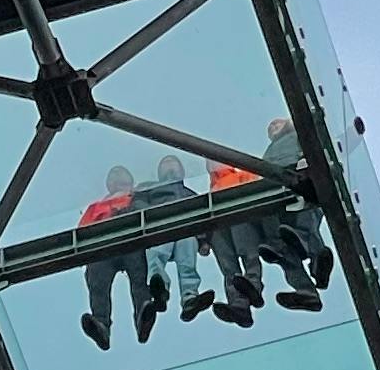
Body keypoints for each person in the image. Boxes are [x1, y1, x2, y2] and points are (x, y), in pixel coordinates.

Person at [76, 163, 164, 349]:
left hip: (131, 242)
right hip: (104, 247)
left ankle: (143, 315)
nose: (117, 178)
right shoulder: (96, 206)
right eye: (114, 176)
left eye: (121, 175)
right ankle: (101, 324)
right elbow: (83, 229)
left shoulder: (137, 197)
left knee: (139, 278)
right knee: (97, 282)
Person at [255, 114, 331, 310]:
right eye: (270, 128)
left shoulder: (297, 135)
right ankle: (307, 291)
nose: (272, 126)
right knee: (284, 246)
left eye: (277, 123)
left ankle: (317, 261)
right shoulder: (270, 150)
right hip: (278, 190)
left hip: (298, 180)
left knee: (305, 222)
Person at [138, 151, 212, 322]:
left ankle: (190, 297)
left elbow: (201, 216)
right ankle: (159, 288)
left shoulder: (189, 194)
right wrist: (149, 216)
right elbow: (138, 203)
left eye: (173, 163)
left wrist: (203, 241)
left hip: (185, 231)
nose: (170, 166)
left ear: (182, 171)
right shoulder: (150, 190)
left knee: (187, 254)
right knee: (158, 250)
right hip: (160, 228)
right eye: (166, 163)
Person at [203, 144, 266, 324]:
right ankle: (238, 305)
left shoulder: (242, 175)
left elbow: (257, 190)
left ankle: (253, 287)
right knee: (228, 267)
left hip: (241, 216)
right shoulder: (212, 189)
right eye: (211, 162)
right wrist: (205, 239)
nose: (214, 165)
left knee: (249, 255)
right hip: (219, 226)